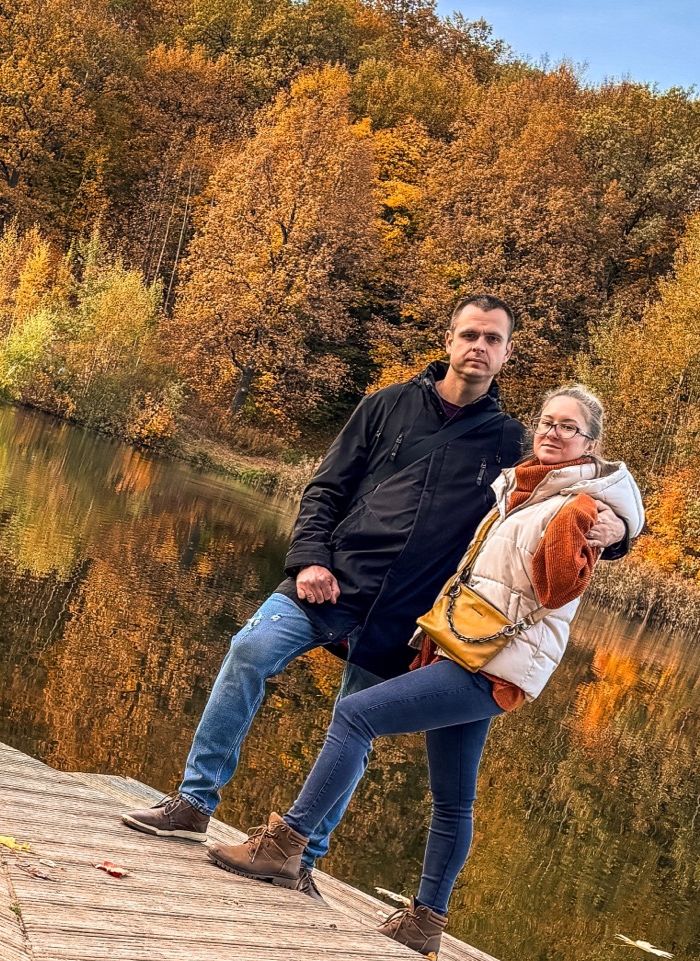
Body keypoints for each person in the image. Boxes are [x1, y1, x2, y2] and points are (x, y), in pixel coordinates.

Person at [120, 299, 631, 889]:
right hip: (331, 581)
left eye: (493, 339)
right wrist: (310, 558)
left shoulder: (509, 441)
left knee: (356, 722)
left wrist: (621, 534)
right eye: (469, 334)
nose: (479, 347)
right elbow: (324, 490)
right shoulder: (384, 405)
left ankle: (303, 858)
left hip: (408, 611)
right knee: (247, 652)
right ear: (448, 338)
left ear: (507, 353)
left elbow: (574, 491)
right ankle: (192, 802)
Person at [208, 384, 643, 957]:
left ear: (591, 444)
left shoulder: (577, 504)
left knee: (356, 715)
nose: (552, 432)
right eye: (546, 421)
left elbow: (560, 586)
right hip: (470, 649)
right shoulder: (527, 485)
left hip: (492, 663)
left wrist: (605, 533)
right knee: (453, 796)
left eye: (569, 427)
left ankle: (286, 844)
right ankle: (425, 922)